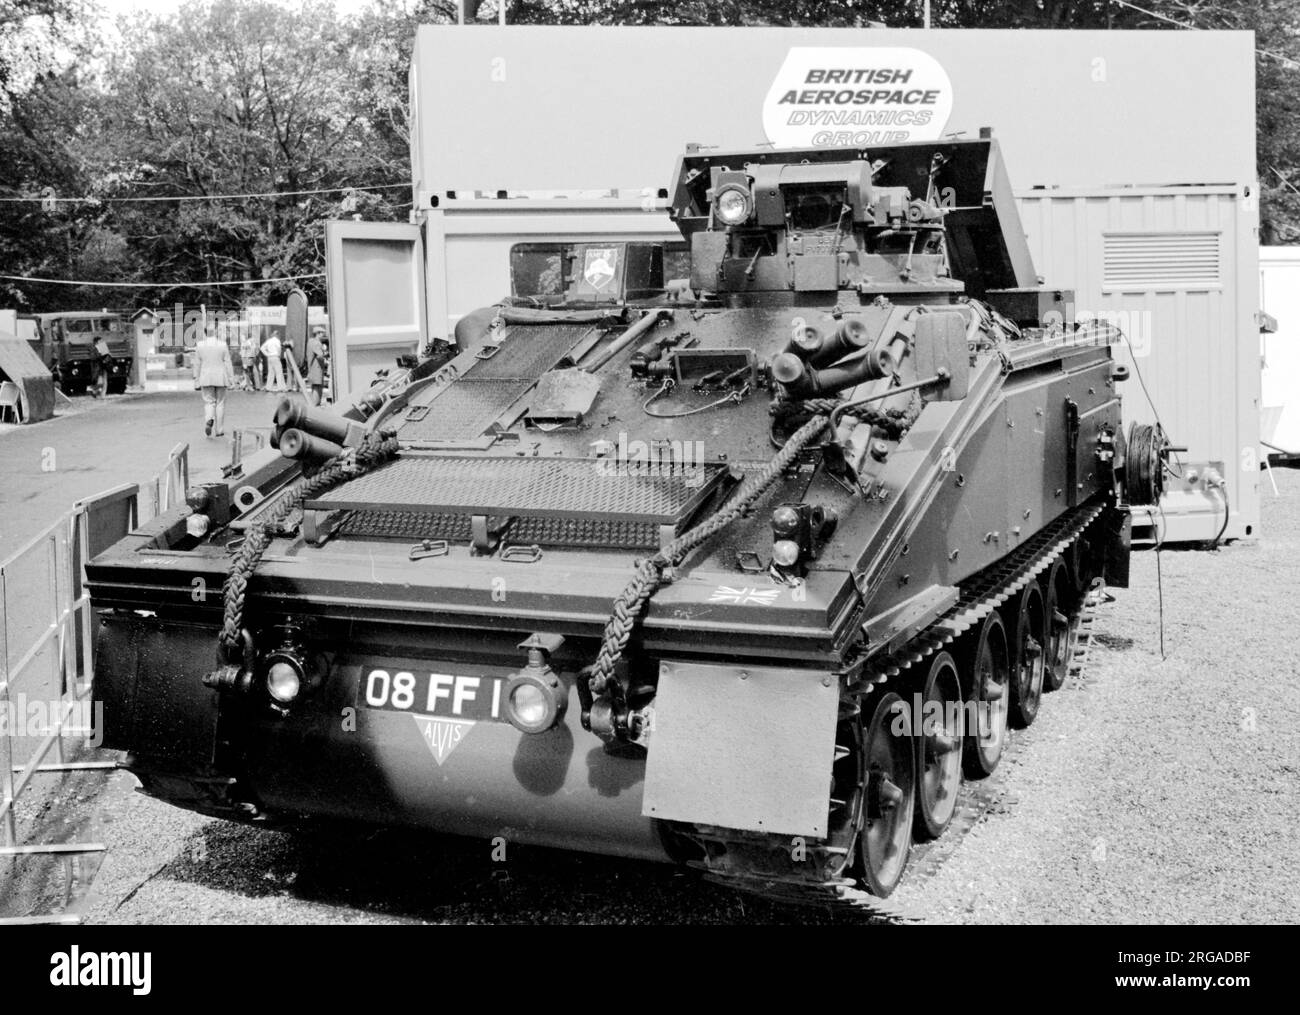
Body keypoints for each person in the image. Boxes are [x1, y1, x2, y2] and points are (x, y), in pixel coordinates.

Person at [192, 322, 235, 437]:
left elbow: (196, 363)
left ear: (205, 332)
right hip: (221, 377)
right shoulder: (222, 344)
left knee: (209, 402)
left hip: (206, 377)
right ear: (215, 332)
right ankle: (219, 430)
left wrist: (196, 379)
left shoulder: (200, 345)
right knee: (220, 403)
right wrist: (231, 378)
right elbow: (227, 362)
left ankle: (209, 419)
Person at [303, 326, 328, 406]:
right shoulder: (316, 343)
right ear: (318, 334)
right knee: (318, 386)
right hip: (317, 367)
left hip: (312, 367)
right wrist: (326, 355)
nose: (323, 336)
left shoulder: (310, 342)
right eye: (322, 334)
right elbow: (320, 355)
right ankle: (315, 404)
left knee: (315, 386)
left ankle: (314, 404)